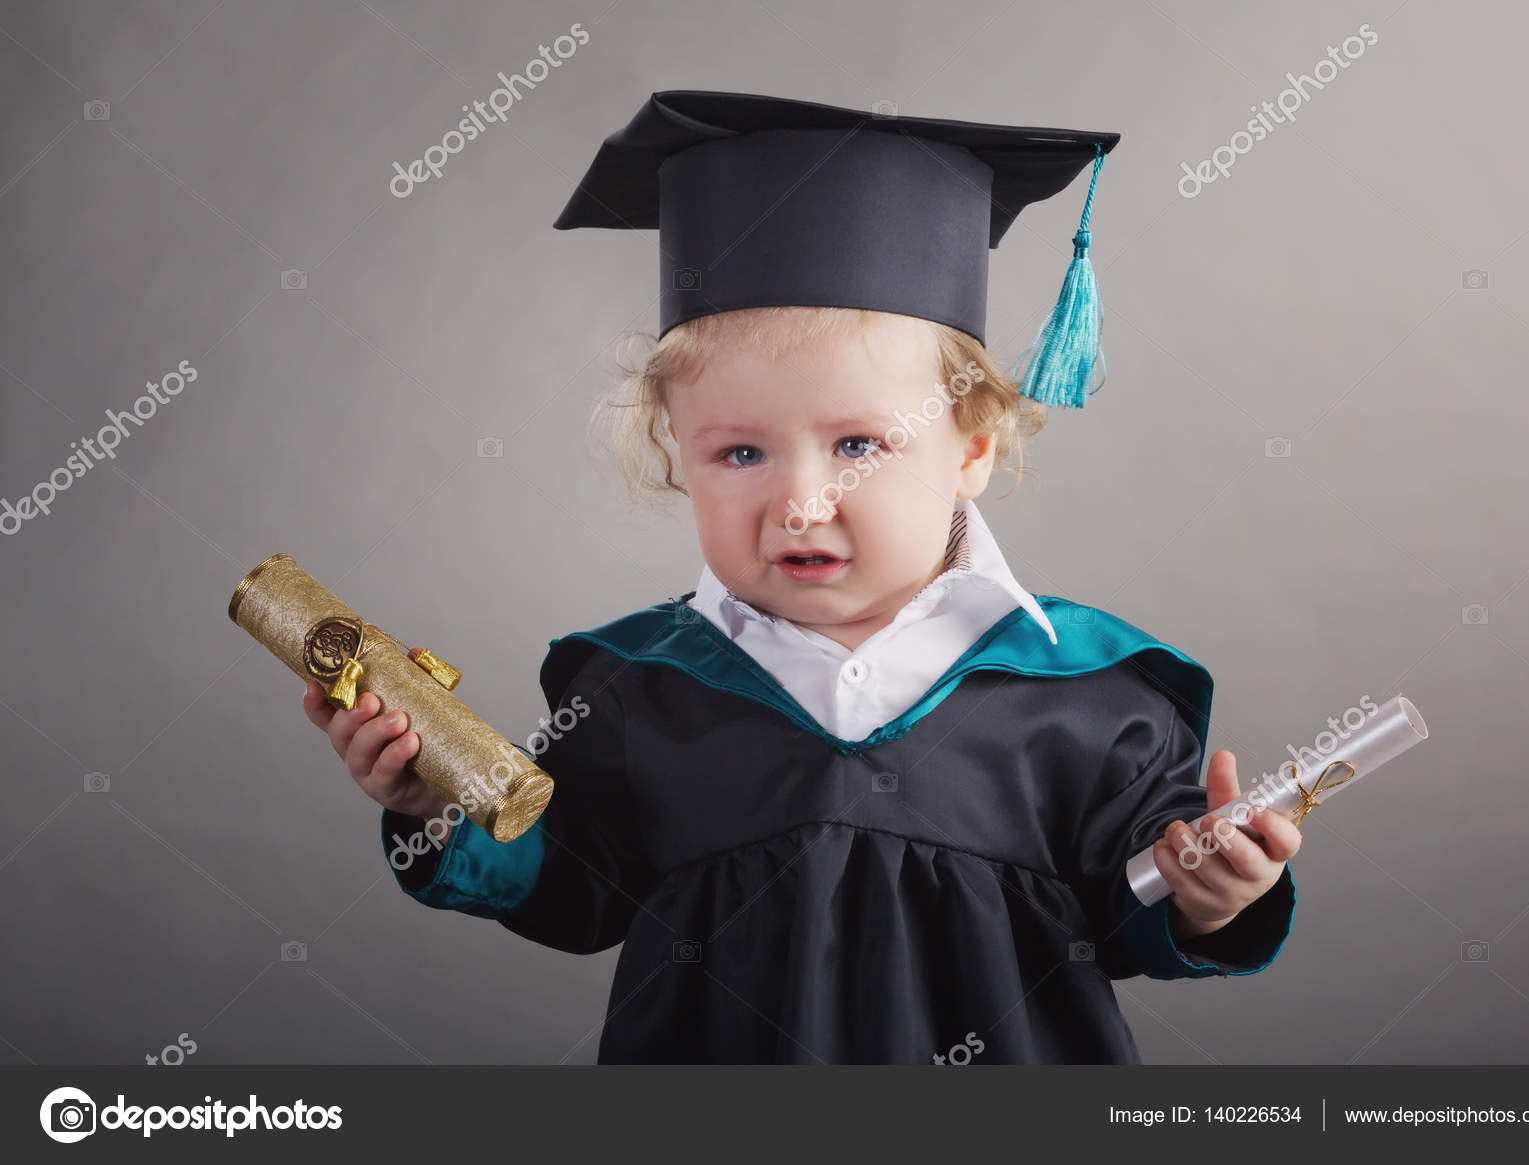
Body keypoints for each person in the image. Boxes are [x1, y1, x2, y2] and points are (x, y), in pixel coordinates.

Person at [303, 91, 1300, 1064]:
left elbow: (1129, 916)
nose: (798, 504)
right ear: (675, 451)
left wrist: (1211, 893)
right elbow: (571, 888)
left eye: (860, 443)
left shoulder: (1092, 697)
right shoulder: (634, 688)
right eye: (741, 454)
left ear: (972, 447)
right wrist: (433, 799)